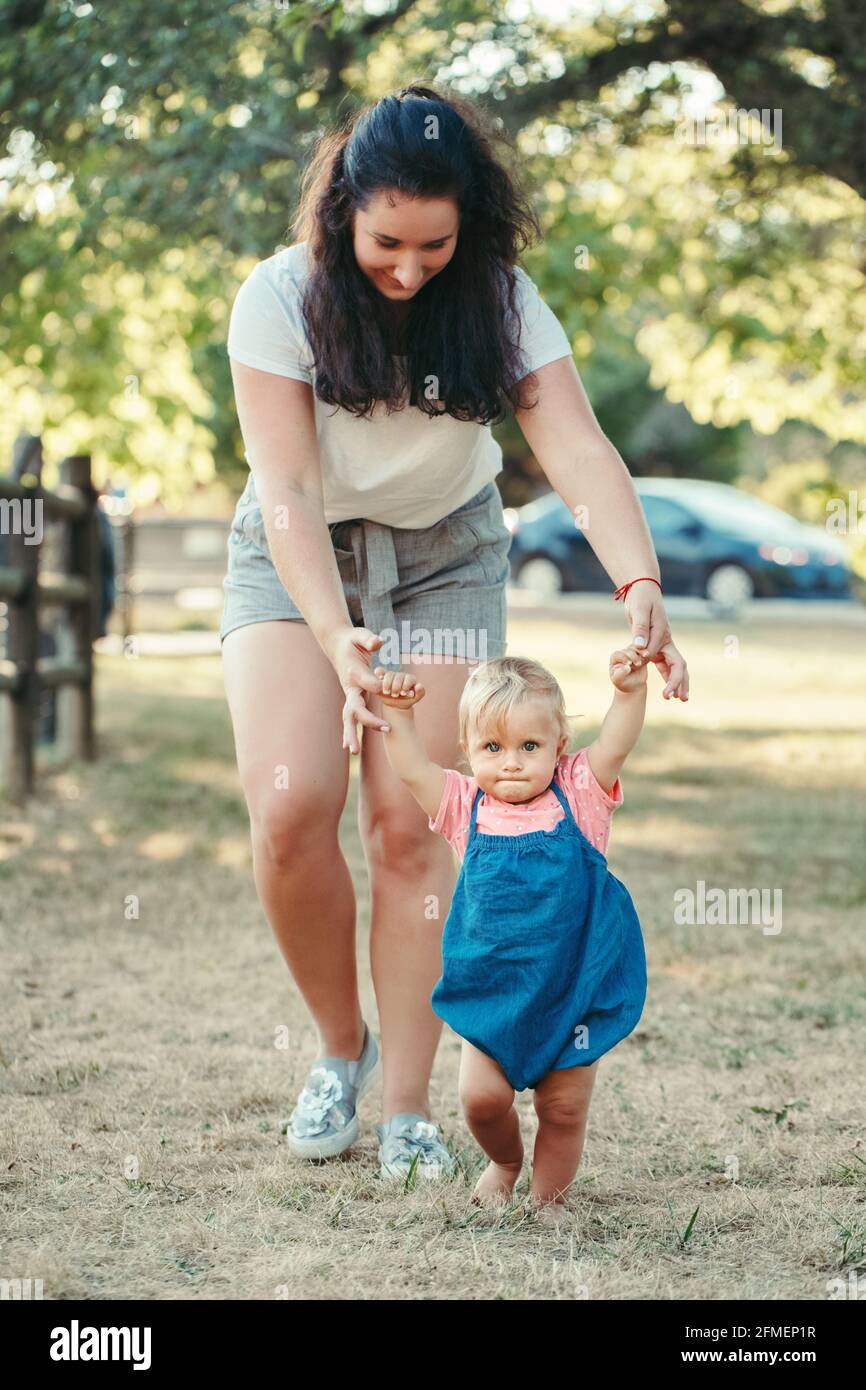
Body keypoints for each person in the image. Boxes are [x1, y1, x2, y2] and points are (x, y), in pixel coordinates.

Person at [219, 83, 689, 1182]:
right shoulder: (278, 297)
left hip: (444, 557)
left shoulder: (503, 301)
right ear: (342, 208)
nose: (408, 268)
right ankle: (341, 1047)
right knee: (291, 808)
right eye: (387, 240)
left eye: (435, 243)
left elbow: (575, 447)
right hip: (298, 557)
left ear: (467, 223)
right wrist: (335, 638)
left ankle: (405, 1109)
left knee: (410, 823)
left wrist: (637, 577)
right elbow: (283, 485)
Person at [374, 652, 648, 1214]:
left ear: (559, 745)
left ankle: (550, 1204)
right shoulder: (463, 806)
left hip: (572, 991)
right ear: (468, 751)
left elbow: (617, 743)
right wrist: (399, 718)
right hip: (494, 992)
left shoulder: (580, 795)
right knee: (479, 1100)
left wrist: (628, 692)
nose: (512, 763)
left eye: (530, 746)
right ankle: (505, 1160)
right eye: (492, 748)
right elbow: (411, 771)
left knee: (563, 1110)